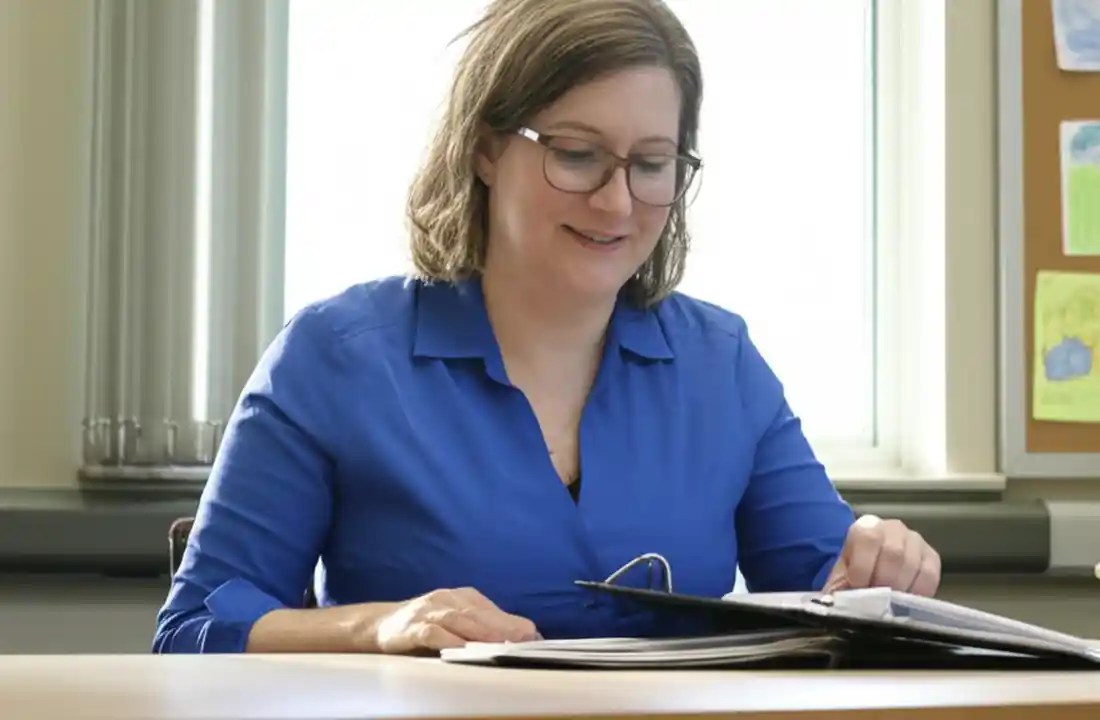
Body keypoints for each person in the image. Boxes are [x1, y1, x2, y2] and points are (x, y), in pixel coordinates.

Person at [154, 0, 941, 655]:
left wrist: (883, 562)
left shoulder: (721, 363)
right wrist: (379, 626)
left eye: (652, 164)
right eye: (576, 154)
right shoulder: (337, 357)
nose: (617, 202)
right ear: (486, 149)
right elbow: (192, 630)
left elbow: (840, 598)